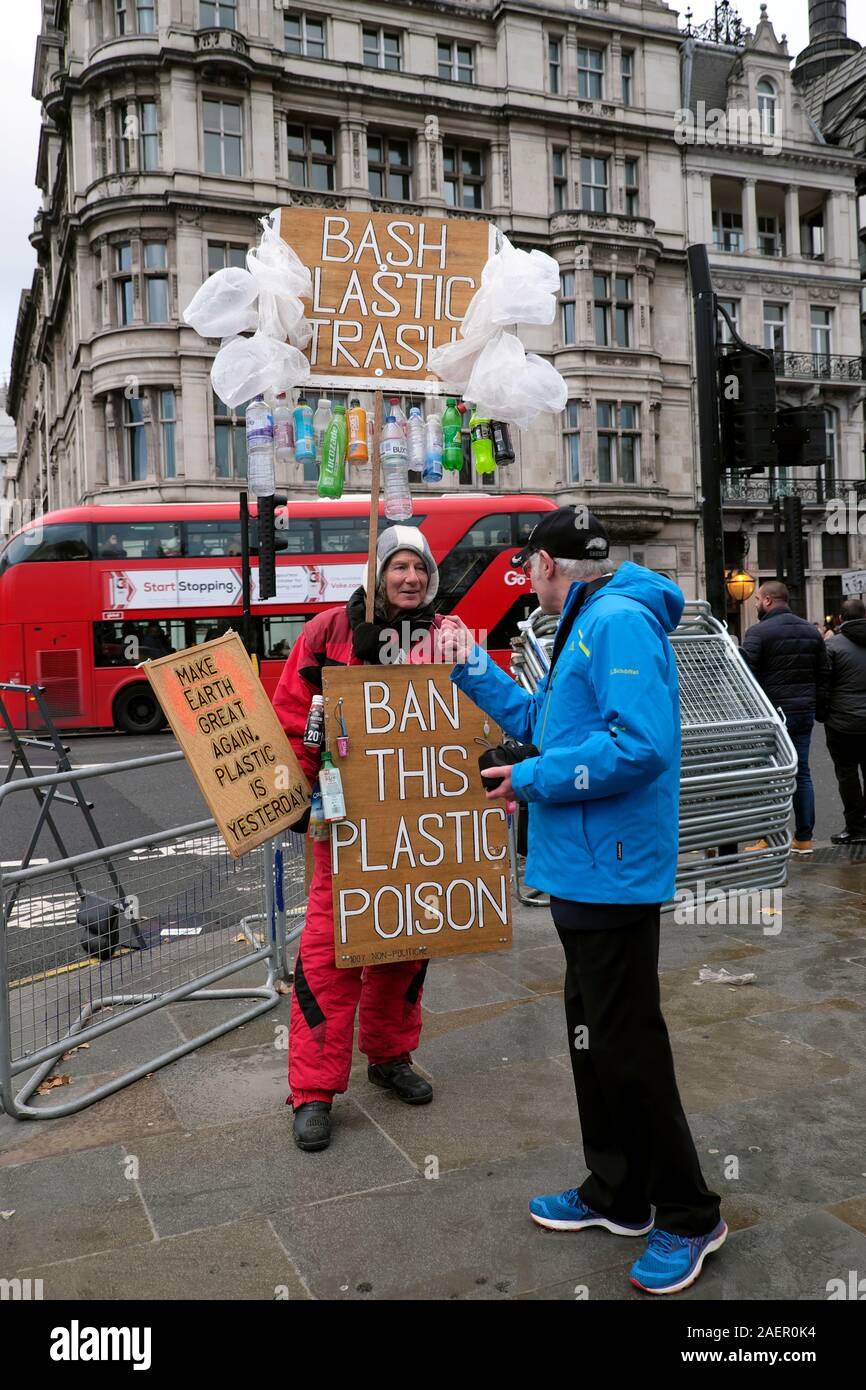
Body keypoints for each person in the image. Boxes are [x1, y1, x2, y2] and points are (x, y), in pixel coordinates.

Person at [439, 506, 725, 1297]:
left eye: (528, 567)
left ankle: (690, 1215)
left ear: (551, 565)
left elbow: (641, 747)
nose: (525, 580)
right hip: (581, 868)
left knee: (628, 1047)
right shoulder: (586, 620)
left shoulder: (620, 622)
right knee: (592, 1040)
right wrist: (469, 666)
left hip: (613, 870)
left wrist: (527, 780)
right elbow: (547, 724)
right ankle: (618, 1193)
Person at [273, 526, 446, 1152]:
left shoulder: (444, 636)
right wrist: (295, 785)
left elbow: (469, 719)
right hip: (342, 822)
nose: (410, 578)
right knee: (329, 948)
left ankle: (390, 1055)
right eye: (398, 566)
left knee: (407, 937)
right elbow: (293, 709)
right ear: (378, 573)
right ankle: (312, 1091)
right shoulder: (326, 632)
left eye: (419, 568)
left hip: (416, 825)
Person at [740, 580, 830, 856]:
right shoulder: (811, 631)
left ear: (767, 600)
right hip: (803, 712)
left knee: (769, 776)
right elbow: (824, 673)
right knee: (802, 773)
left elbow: (746, 676)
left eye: (757, 599)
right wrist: (819, 709)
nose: (755, 604)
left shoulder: (758, 632)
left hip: (772, 715)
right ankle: (804, 839)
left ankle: (769, 837)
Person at [818, 597, 866, 845]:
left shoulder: (833, 646)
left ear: (841, 619)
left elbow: (824, 684)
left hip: (843, 721)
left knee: (847, 775)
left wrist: (823, 712)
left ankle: (856, 828)